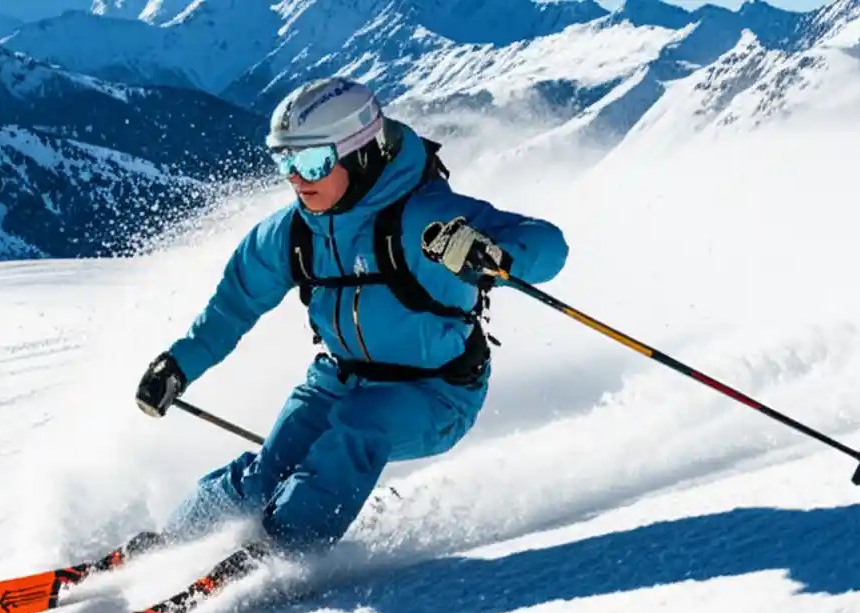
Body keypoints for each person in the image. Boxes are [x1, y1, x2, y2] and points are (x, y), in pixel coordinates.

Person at [135, 77, 568, 552]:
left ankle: (283, 553)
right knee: (265, 475)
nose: (296, 178)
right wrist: (178, 366)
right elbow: (233, 306)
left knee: (358, 430)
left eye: (312, 161)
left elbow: (548, 244)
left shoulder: (425, 221)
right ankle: (170, 544)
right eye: (284, 161)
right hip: (336, 379)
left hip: (436, 392)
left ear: (360, 153)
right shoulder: (292, 235)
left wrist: (497, 254)